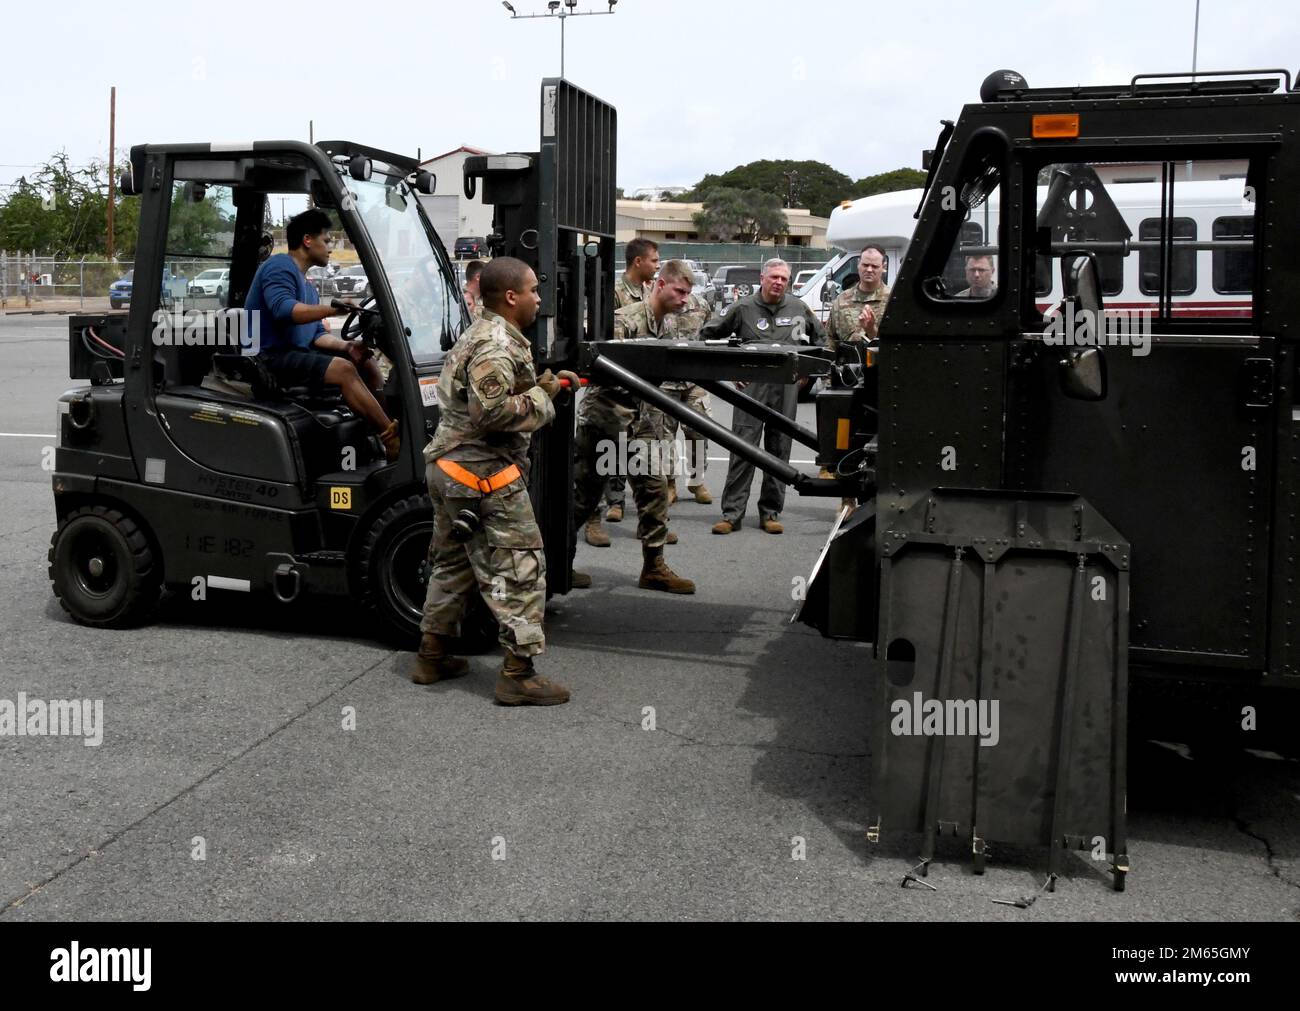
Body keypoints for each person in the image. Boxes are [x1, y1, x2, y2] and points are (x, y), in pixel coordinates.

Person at [416, 257, 578, 706]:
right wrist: (543, 396)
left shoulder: (484, 334)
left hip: (453, 471)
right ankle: (518, 675)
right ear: (511, 297)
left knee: (454, 563)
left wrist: (542, 386)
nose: (539, 298)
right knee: (521, 566)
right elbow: (491, 413)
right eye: (533, 290)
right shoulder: (495, 345)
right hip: (483, 475)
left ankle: (431, 655)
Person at [572, 259, 696, 594]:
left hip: (640, 422)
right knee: (583, 499)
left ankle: (653, 567)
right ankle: (557, 563)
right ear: (660, 284)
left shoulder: (666, 326)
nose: (684, 299)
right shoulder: (625, 320)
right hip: (606, 421)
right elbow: (601, 370)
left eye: (688, 293)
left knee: (654, 489)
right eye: (679, 291)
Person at [245, 209, 400, 460]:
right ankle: (392, 440)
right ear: (307, 240)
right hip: (267, 358)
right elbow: (284, 310)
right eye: (326, 241)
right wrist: (333, 309)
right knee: (343, 370)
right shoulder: (279, 266)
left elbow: (316, 334)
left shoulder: (308, 287)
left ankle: (387, 426)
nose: (330, 248)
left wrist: (347, 347)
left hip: (293, 354)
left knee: (365, 360)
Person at [702, 258, 824, 535]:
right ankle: (732, 514)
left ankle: (770, 512)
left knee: (779, 450)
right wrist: (730, 370)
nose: (778, 282)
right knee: (743, 448)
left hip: (786, 389)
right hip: (752, 388)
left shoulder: (799, 308)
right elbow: (708, 335)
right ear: (762, 278)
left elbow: (822, 341)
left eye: (784, 278)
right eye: (774, 277)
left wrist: (808, 373)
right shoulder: (742, 308)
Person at [662, 290, 714, 504]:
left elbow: (709, 337)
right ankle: (669, 484)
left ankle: (696, 481)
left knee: (699, 432)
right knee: (664, 437)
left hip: (694, 381)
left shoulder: (701, 305)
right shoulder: (658, 305)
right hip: (664, 381)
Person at [826, 245, 891, 356]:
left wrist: (871, 330)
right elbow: (829, 340)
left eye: (874, 266)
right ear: (858, 264)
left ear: (883, 267)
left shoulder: (892, 300)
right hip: (847, 365)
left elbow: (897, 346)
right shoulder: (841, 300)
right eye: (865, 265)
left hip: (881, 365)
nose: (869, 270)